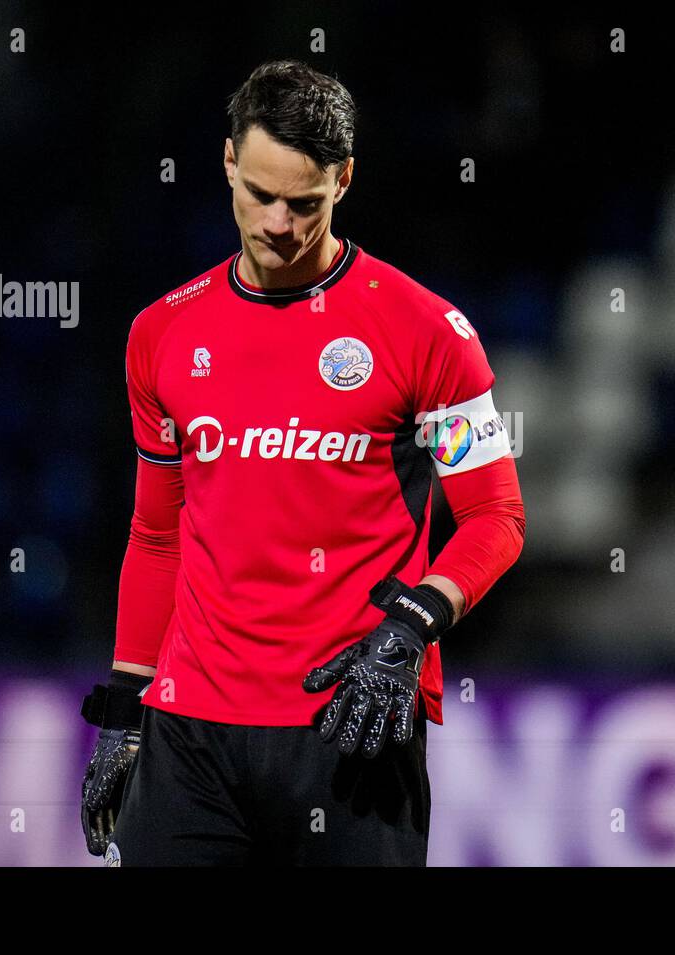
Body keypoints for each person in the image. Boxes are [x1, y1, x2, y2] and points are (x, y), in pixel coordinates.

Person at [78, 59, 525, 866]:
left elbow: (497, 517)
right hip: (190, 734)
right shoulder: (161, 335)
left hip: (353, 722)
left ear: (346, 179)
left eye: (305, 202)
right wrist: (123, 713)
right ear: (226, 163)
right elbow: (155, 535)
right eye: (259, 194)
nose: (278, 223)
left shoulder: (429, 333)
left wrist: (413, 625)